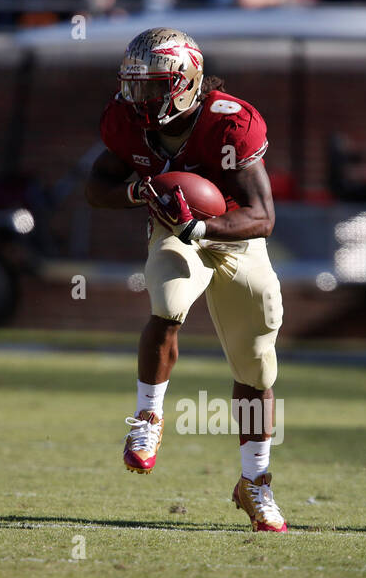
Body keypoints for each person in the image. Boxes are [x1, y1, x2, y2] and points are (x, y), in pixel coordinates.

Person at [84, 28, 288, 532]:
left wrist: (202, 225)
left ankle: (254, 483)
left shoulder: (230, 123)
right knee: (168, 297)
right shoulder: (125, 122)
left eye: (155, 88)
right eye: (135, 87)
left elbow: (262, 216)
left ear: (188, 81)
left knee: (257, 365)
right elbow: (97, 186)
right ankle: (147, 420)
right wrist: (136, 194)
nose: (142, 100)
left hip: (234, 236)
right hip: (176, 232)